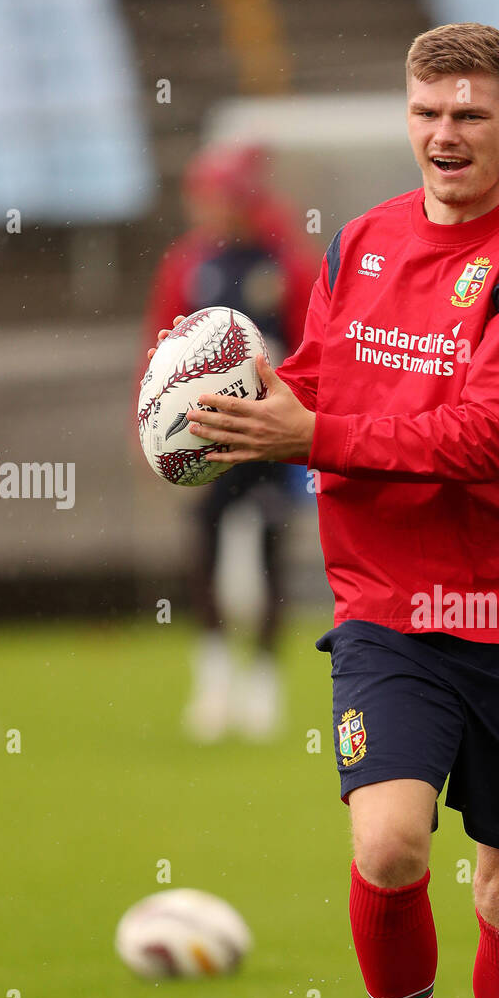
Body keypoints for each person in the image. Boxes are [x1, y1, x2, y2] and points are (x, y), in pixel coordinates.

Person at [148, 23, 499, 998]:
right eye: (426, 113)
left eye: (469, 116)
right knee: (388, 844)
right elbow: (320, 371)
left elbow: (485, 437)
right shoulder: (361, 240)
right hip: (393, 611)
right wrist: (226, 404)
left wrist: (311, 434)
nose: (444, 135)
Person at [140, 144, 320, 741]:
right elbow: (159, 353)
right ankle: (213, 681)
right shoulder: (189, 264)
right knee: (204, 551)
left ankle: (264, 685)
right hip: (202, 439)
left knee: (270, 556)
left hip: (267, 439)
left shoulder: (286, 262)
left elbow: (313, 349)